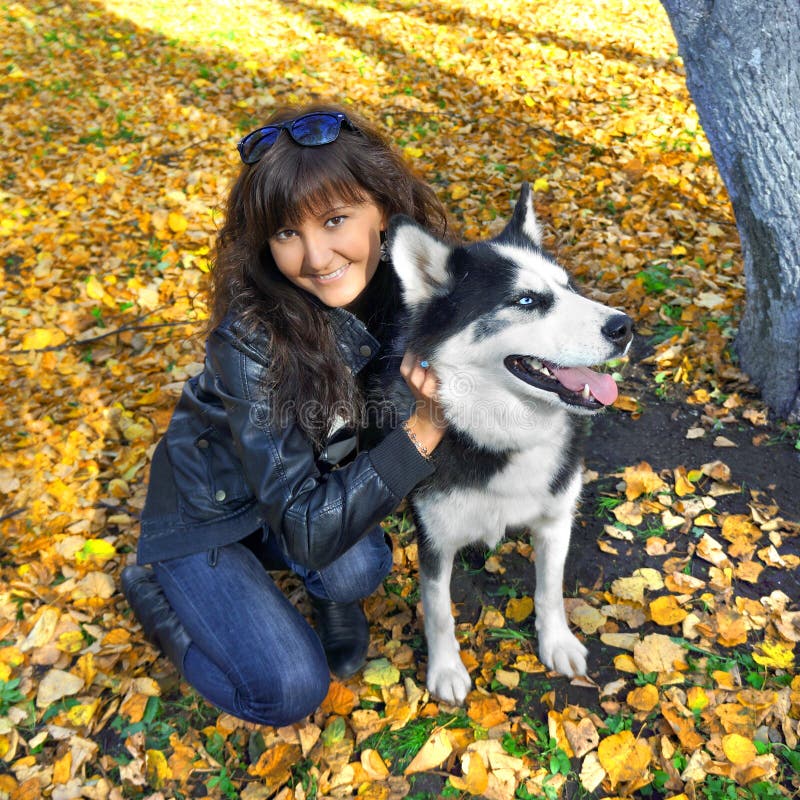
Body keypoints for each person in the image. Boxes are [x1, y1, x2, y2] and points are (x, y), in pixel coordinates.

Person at [121, 103, 449, 727]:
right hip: (208, 511)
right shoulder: (251, 335)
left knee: (361, 562)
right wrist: (424, 429)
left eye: (334, 220)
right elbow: (306, 524)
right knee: (288, 692)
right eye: (286, 233)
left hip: (294, 492)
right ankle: (158, 598)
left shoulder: (417, 285)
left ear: (384, 207)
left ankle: (331, 598)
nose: (315, 256)